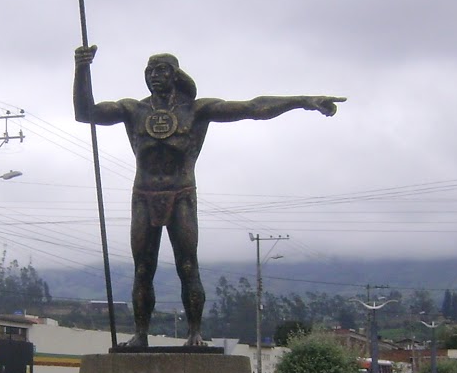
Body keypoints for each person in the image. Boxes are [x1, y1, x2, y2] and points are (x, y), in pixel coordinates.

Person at [74, 46, 344, 348]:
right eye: (149, 71)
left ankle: (194, 333)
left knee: (187, 265)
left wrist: (305, 101)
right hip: (144, 194)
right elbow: (85, 113)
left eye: (161, 70)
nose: (153, 76)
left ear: (175, 75)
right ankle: (140, 335)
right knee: (142, 268)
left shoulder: (196, 110)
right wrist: (81, 68)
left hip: (181, 194)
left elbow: (254, 107)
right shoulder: (132, 109)